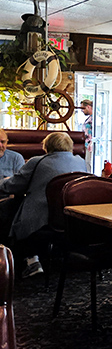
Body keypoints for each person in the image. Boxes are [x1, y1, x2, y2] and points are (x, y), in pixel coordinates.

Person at [0, 132, 87, 278]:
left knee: (5, 210)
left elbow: (14, 186)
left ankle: (23, 260)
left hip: (41, 218)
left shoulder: (37, 161)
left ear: (47, 146)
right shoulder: (80, 162)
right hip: (70, 218)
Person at [81, 99, 93, 172]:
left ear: (88, 107)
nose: (82, 110)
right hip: (87, 145)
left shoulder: (95, 119)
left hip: (90, 146)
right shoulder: (89, 119)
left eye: (83, 108)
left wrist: (91, 143)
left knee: (89, 163)